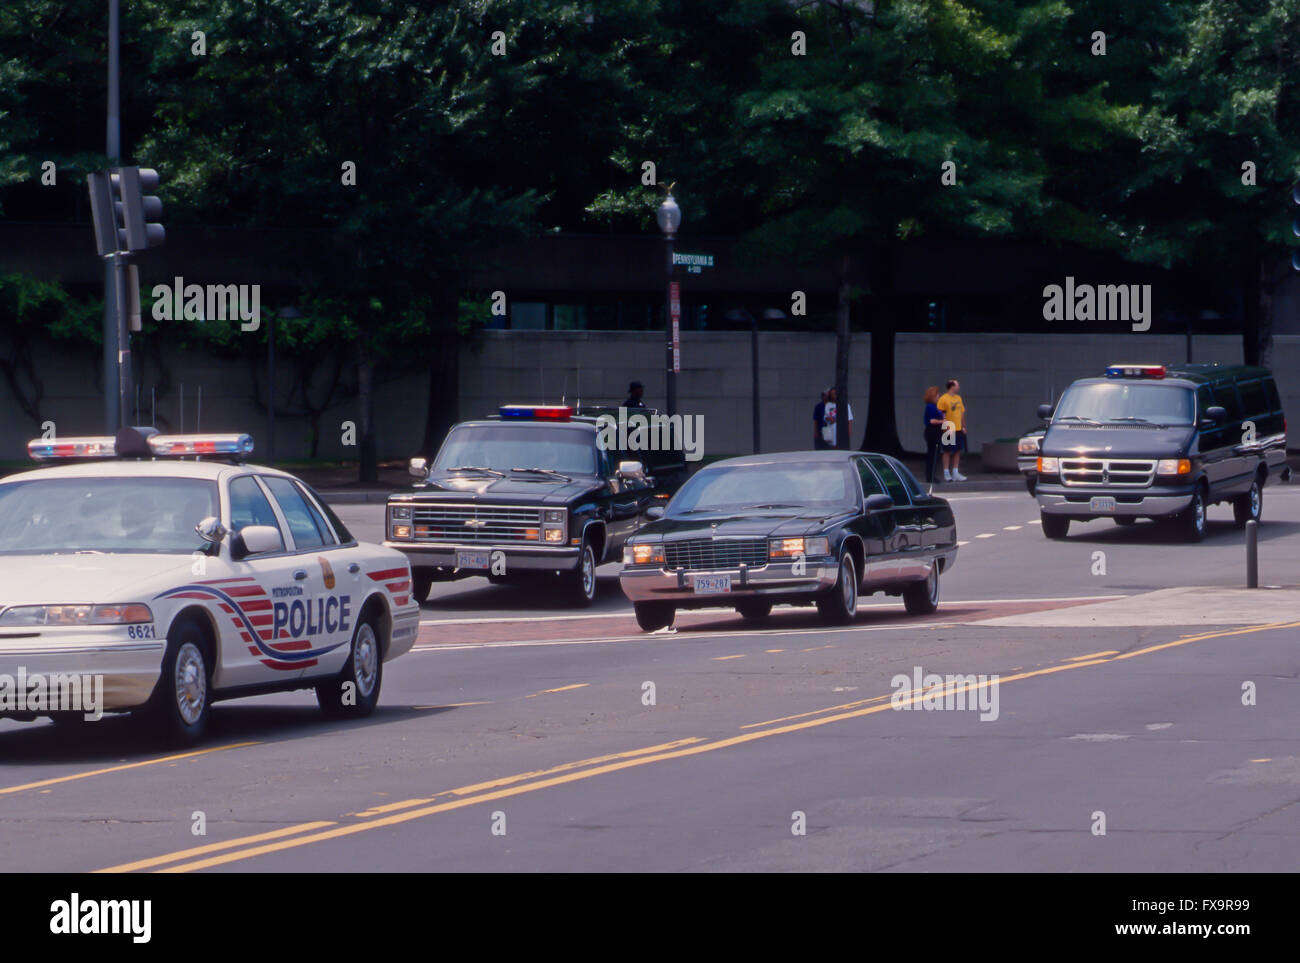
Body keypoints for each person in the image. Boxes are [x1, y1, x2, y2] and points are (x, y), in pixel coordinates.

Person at [937, 378, 967, 482]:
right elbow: (940, 413)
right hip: (948, 427)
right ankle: (946, 472)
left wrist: (963, 426)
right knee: (947, 451)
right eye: (957, 385)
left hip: (958, 428)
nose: (958, 387)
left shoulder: (959, 398)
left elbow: (962, 413)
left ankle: (955, 472)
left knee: (957, 450)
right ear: (952, 386)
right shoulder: (943, 399)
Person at [922, 386, 944, 483]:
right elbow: (932, 420)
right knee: (933, 454)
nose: (938, 396)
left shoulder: (935, 406)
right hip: (932, 432)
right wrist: (942, 421)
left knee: (936, 453)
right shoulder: (930, 406)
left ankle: (932, 474)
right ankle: (930, 476)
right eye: (937, 394)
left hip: (937, 431)